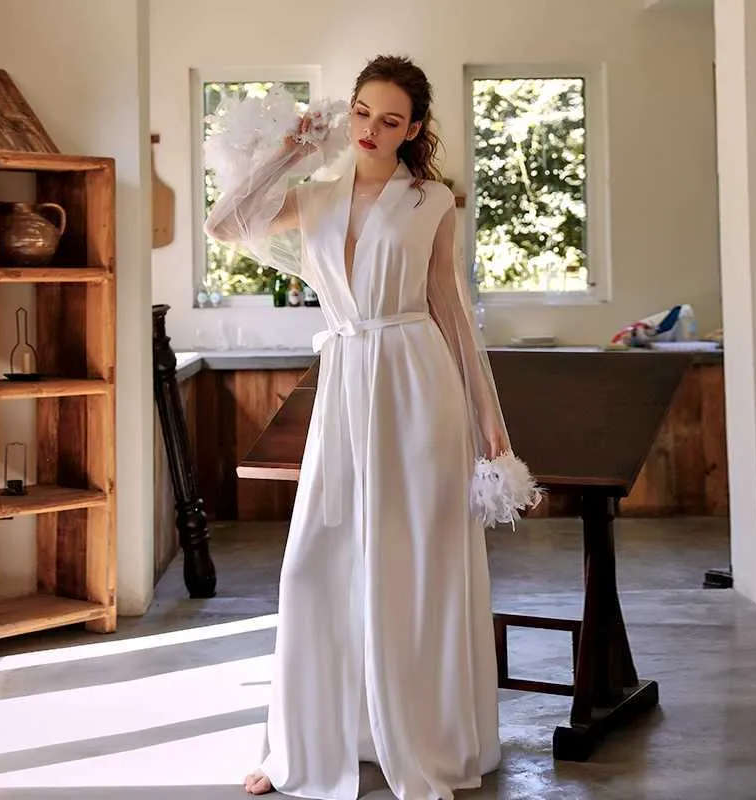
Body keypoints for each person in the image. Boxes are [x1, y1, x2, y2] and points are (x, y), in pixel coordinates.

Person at [204, 54, 539, 800]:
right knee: (316, 562)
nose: (371, 130)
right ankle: (302, 746)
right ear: (345, 111)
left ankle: (422, 737)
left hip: (420, 384)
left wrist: (491, 418)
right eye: (361, 113)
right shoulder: (315, 197)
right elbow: (223, 224)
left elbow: (450, 309)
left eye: (390, 120)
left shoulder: (431, 202)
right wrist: (292, 147)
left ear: (414, 128)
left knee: (413, 562)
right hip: (348, 383)